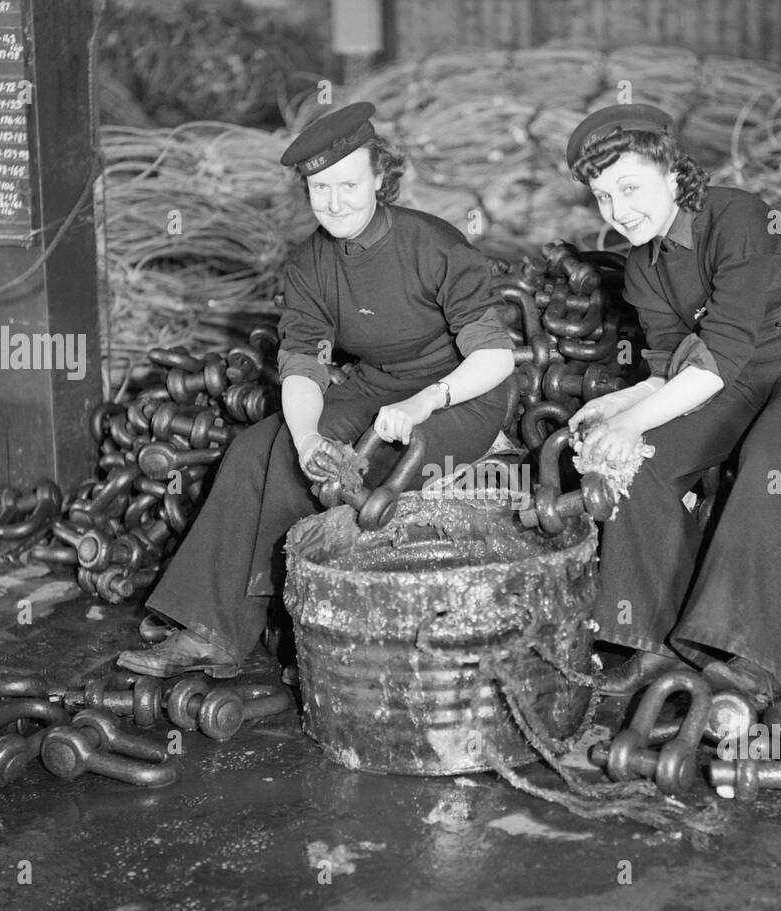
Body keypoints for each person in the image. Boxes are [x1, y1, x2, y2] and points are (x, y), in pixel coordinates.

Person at [118, 102, 515, 679]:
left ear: (381, 177)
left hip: (461, 393)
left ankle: (304, 624)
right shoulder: (308, 263)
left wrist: (426, 400)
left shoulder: (434, 245)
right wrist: (305, 436)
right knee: (261, 449)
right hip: (377, 384)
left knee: (377, 459)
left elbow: (495, 356)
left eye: (349, 184)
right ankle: (212, 631)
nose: (334, 203)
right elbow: (303, 362)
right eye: (319, 188)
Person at [564, 104, 781, 700]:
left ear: (672, 171)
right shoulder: (641, 268)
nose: (619, 211)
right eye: (603, 198)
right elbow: (670, 367)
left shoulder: (742, 217)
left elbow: (721, 352)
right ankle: (649, 641)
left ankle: (751, 655)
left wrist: (630, 421)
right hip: (728, 378)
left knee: (770, 466)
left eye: (629, 188)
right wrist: (618, 408)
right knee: (643, 462)